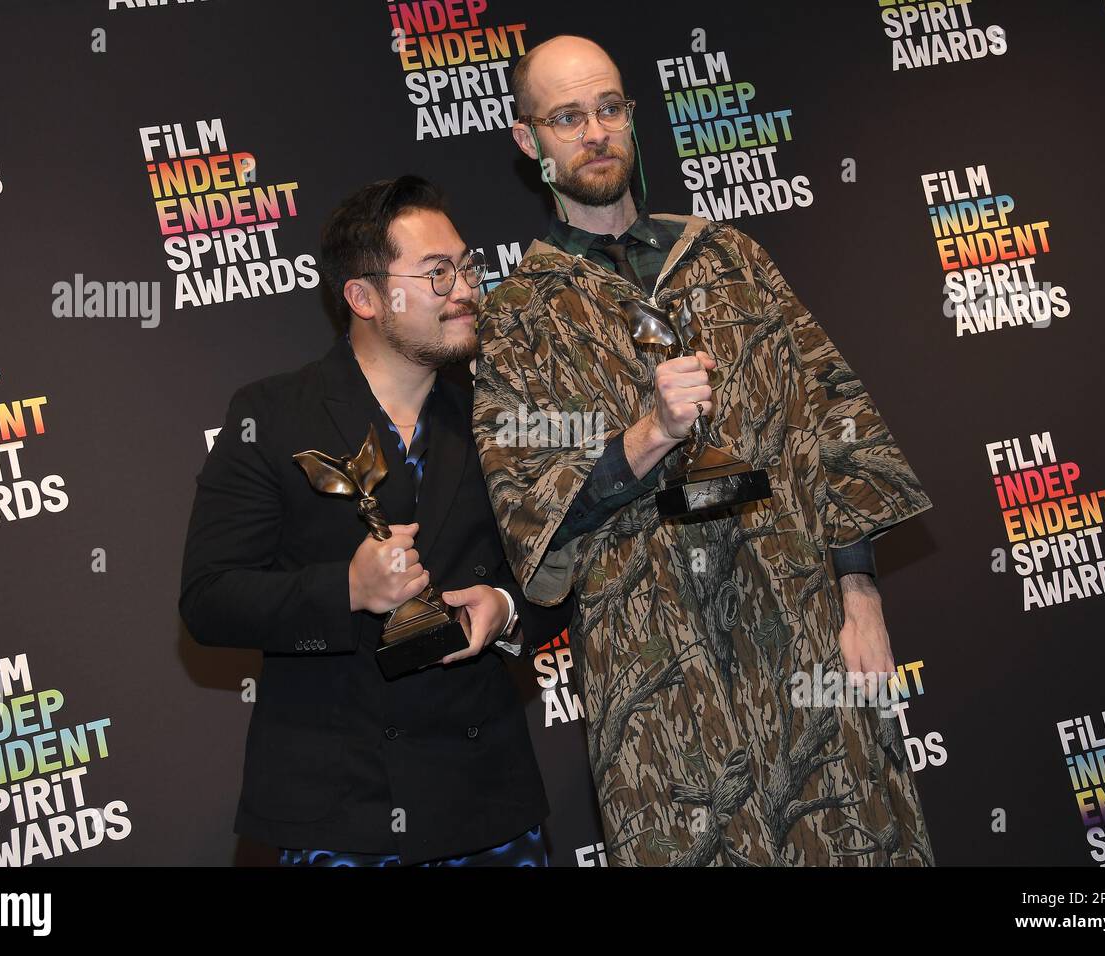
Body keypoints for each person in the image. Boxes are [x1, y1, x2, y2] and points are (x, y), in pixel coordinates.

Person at [472, 35, 937, 866]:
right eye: (567, 118)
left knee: (856, 839)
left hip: (798, 621)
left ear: (632, 117)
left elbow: (826, 412)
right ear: (528, 140)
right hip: (655, 658)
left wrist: (859, 592)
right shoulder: (517, 317)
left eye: (609, 110)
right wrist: (645, 438)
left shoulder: (727, 256)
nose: (594, 133)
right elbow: (530, 508)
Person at [179, 175, 565, 867]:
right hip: (339, 815)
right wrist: (346, 590)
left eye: (466, 267)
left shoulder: (501, 416)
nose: (465, 289)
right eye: (436, 273)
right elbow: (210, 600)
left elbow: (557, 573)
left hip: (488, 806)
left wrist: (506, 608)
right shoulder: (271, 415)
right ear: (362, 297)